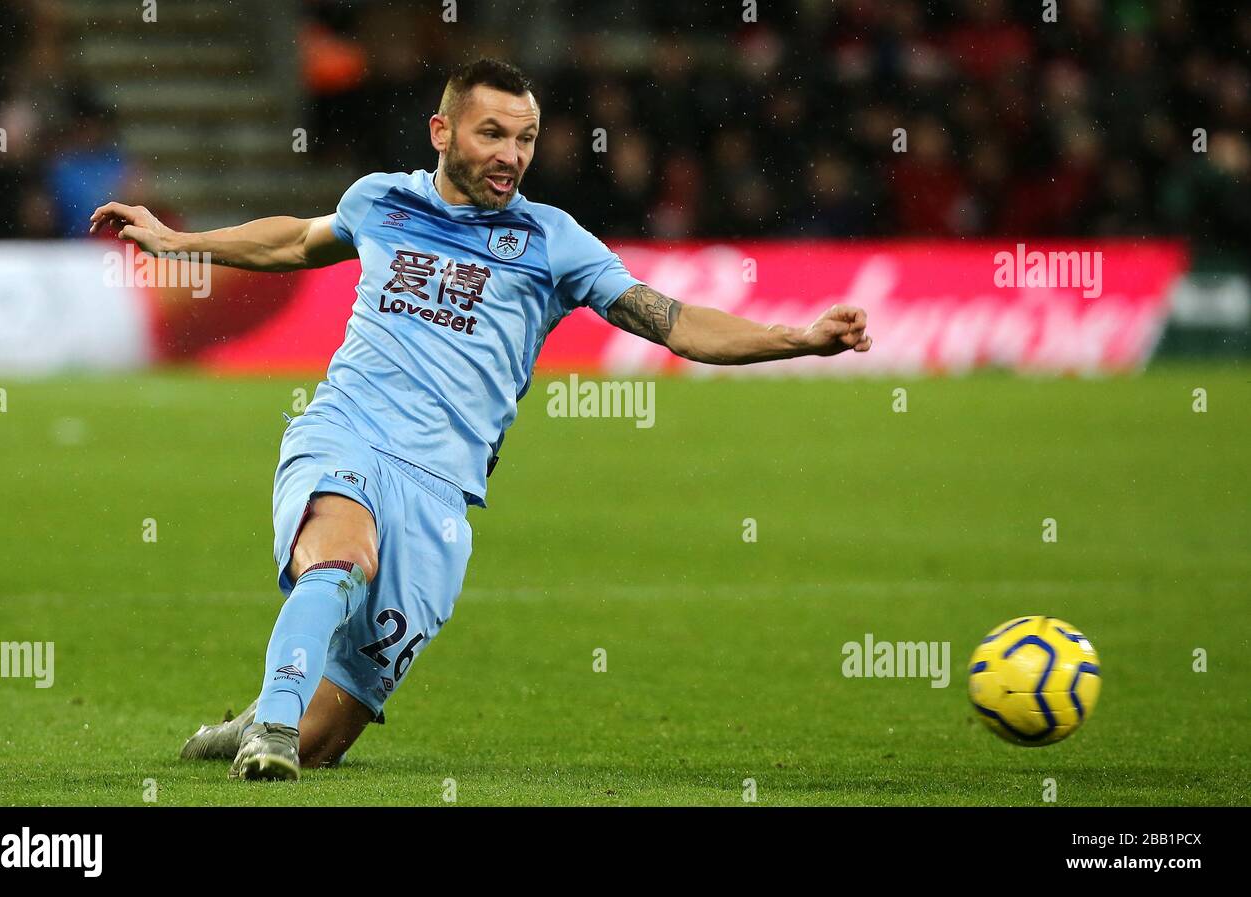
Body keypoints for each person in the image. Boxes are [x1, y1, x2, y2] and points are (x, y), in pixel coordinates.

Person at [89, 58, 872, 781]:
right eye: (492, 132)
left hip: (442, 492)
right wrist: (176, 241)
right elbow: (295, 238)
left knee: (330, 739)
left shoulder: (552, 242)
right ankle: (271, 737)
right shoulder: (381, 201)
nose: (511, 153)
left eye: (525, 137)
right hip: (348, 431)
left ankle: (265, 716)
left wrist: (796, 337)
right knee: (339, 557)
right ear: (443, 132)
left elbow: (671, 320)